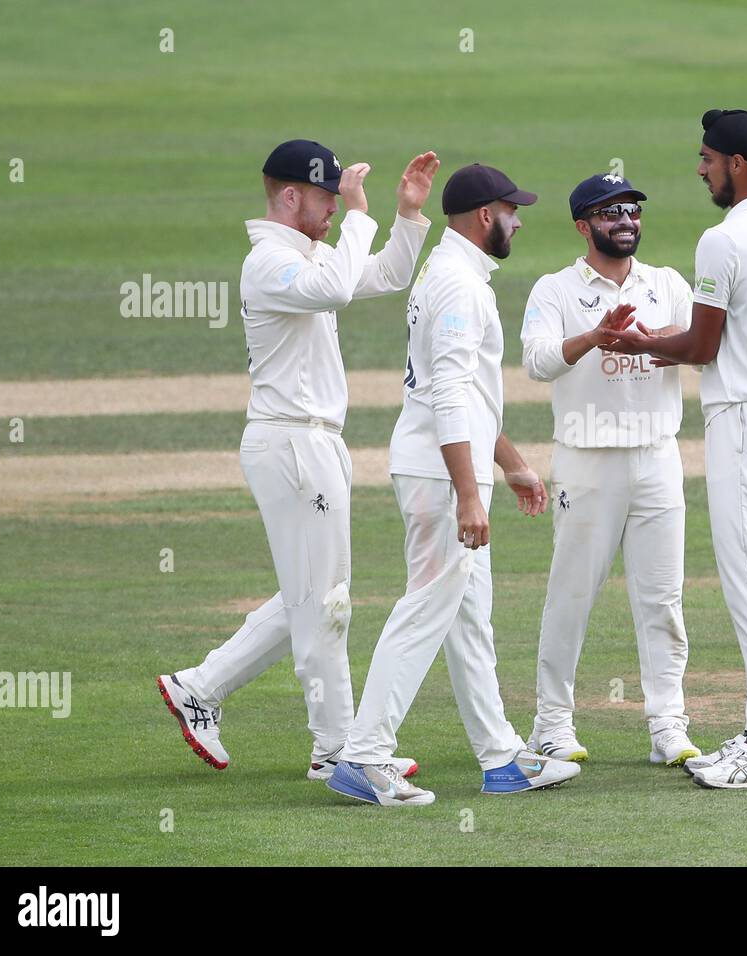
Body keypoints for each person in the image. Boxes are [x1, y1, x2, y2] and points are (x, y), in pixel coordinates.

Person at [157, 140, 438, 780]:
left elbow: (386, 276)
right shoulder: (268, 263)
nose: (336, 208)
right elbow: (339, 288)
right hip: (290, 443)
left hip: (314, 442)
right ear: (291, 196)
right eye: (327, 197)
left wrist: (408, 216)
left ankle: (200, 687)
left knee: (311, 596)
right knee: (325, 604)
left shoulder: (308, 256)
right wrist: (364, 215)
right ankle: (336, 750)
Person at [326, 164, 582, 806]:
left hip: (444, 463)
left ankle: (499, 758)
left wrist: (511, 463)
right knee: (428, 607)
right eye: (509, 210)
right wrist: (469, 493)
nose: (518, 220)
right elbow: (446, 396)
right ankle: (363, 756)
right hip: (441, 473)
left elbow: (466, 394)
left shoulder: (455, 276)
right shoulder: (458, 287)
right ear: (481, 217)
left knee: (469, 618)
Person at [606, 110, 747, 789]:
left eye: (708, 158)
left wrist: (643, 344)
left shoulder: (722, 240)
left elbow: (702, 346)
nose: (700, 168)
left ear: (738, 164)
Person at [521, 173, 701, 767]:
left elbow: (698, 342)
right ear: (583, 225)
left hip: (657, 457)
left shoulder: (667, 283)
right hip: (587, 460)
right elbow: (538, 362)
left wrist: (652, 339)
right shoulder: (556, 289)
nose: (625, 220)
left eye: (632, 210)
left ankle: (667, 727)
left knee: (662, 600)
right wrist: (594, 338)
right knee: (572, 594)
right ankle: (551, 724)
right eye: (609, 212)